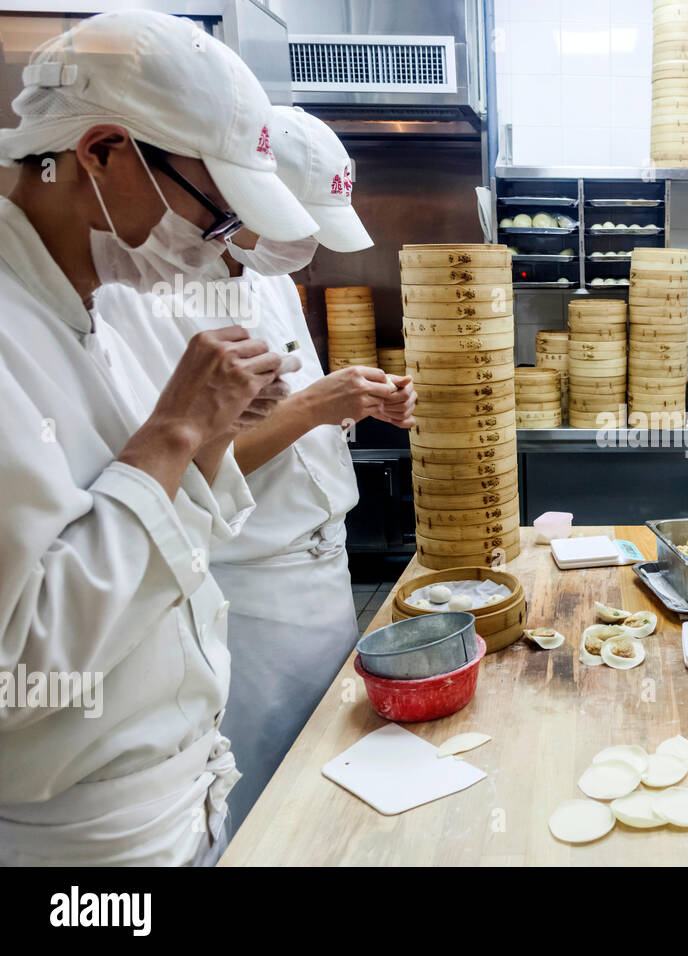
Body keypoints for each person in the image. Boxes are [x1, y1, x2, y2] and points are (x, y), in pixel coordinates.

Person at [0, 10, 318, 865]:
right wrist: (178, 428)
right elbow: (16, 661)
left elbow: (173, 537)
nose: (219, 254)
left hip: (179, 785)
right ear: (102, 152)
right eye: (213, 217)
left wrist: (213, 434)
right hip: (77, 834)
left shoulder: (109, 304)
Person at [98, 105, 416, 831]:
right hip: (247, 582)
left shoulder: (265, 275)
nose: (299, 246)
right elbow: (181, 474)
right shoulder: (141, 295)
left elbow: (279, 404)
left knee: (335, 767)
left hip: (321, 562)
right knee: (270, 795)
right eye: (288, 225)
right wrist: (313, 407)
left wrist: (350, 402)